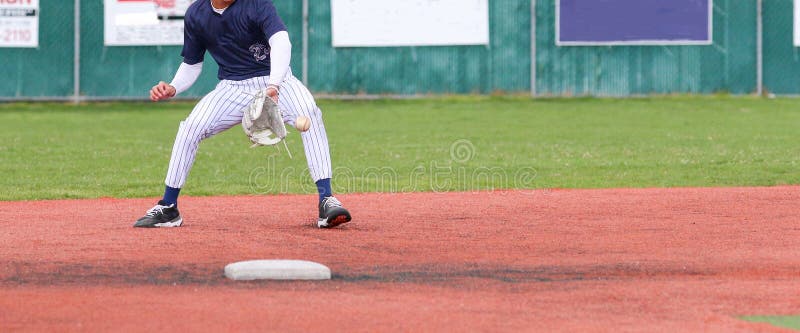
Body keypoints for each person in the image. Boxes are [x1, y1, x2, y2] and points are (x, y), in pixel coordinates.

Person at [134, 0, 352, 229]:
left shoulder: (257, 4)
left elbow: (281, 41)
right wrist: (173, 87)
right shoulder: (196, 14)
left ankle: (327, 200)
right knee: (191, 128)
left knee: (310, 113)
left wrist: (274, 85)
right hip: (233, 87)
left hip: (277, 80)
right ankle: (168, 207)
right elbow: (192, 64)